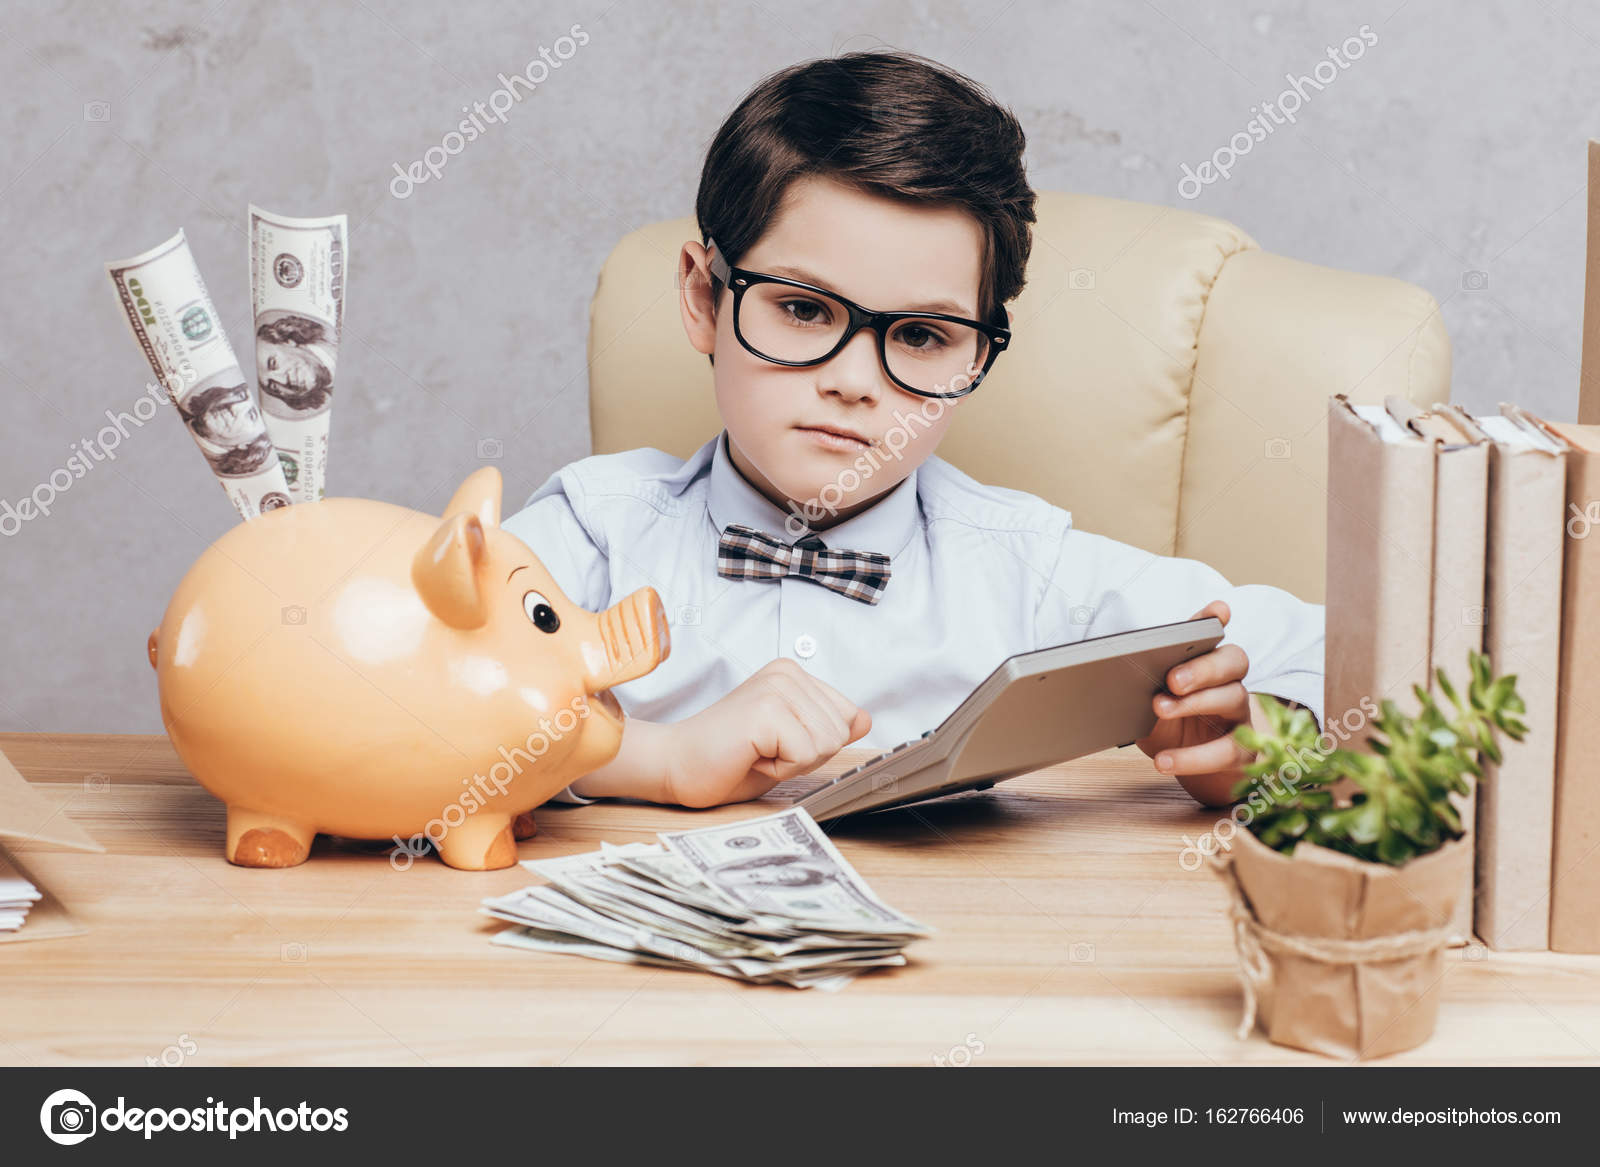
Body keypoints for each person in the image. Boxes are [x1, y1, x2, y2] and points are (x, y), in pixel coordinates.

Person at [503, 51, 1323, 812]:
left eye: (922, 336)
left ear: (979, 353)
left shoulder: (1029, 571)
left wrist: (1254, 740)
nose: (854, 382)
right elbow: (402, 692)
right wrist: (665, 757)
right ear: (704, 299)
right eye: (801, 308)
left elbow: (1362, 667)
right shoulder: (595, 531)